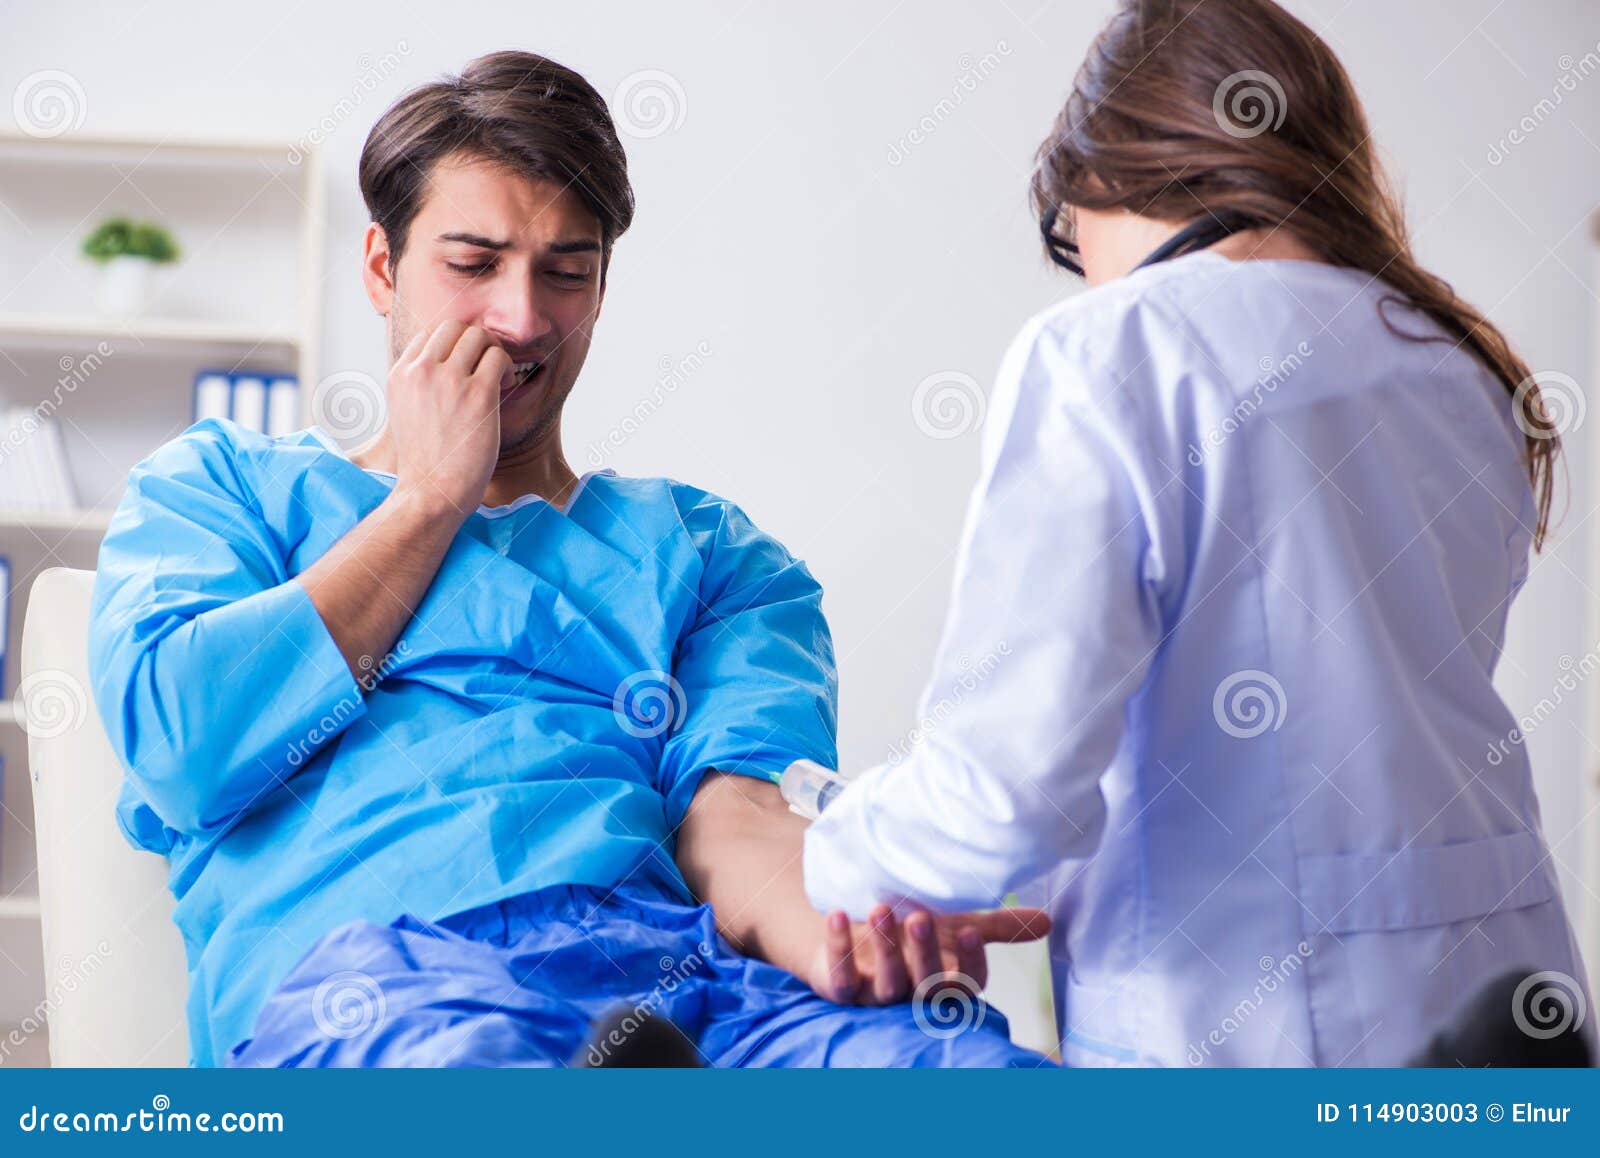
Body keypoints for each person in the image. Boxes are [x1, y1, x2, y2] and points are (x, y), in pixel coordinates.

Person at [89, 50, 1050, 1069]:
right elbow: (186, 749)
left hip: (681, 980)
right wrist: (427, 500)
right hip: (381, 987)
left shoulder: (710, 552)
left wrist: (839, 939)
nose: (523, 318)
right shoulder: (222, 488)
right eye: (474, 264)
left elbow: (739, 815)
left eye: (567, 270)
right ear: (382, 268)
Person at [802, 0, 1596, 1067]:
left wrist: (822, 849)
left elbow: (1001, 793)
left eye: (1067, 240)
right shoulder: (1455, 364)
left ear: (1103, 182)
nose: (1084, 275)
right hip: (1511, 1009)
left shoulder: (1112, 349)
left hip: (1245, 1032)